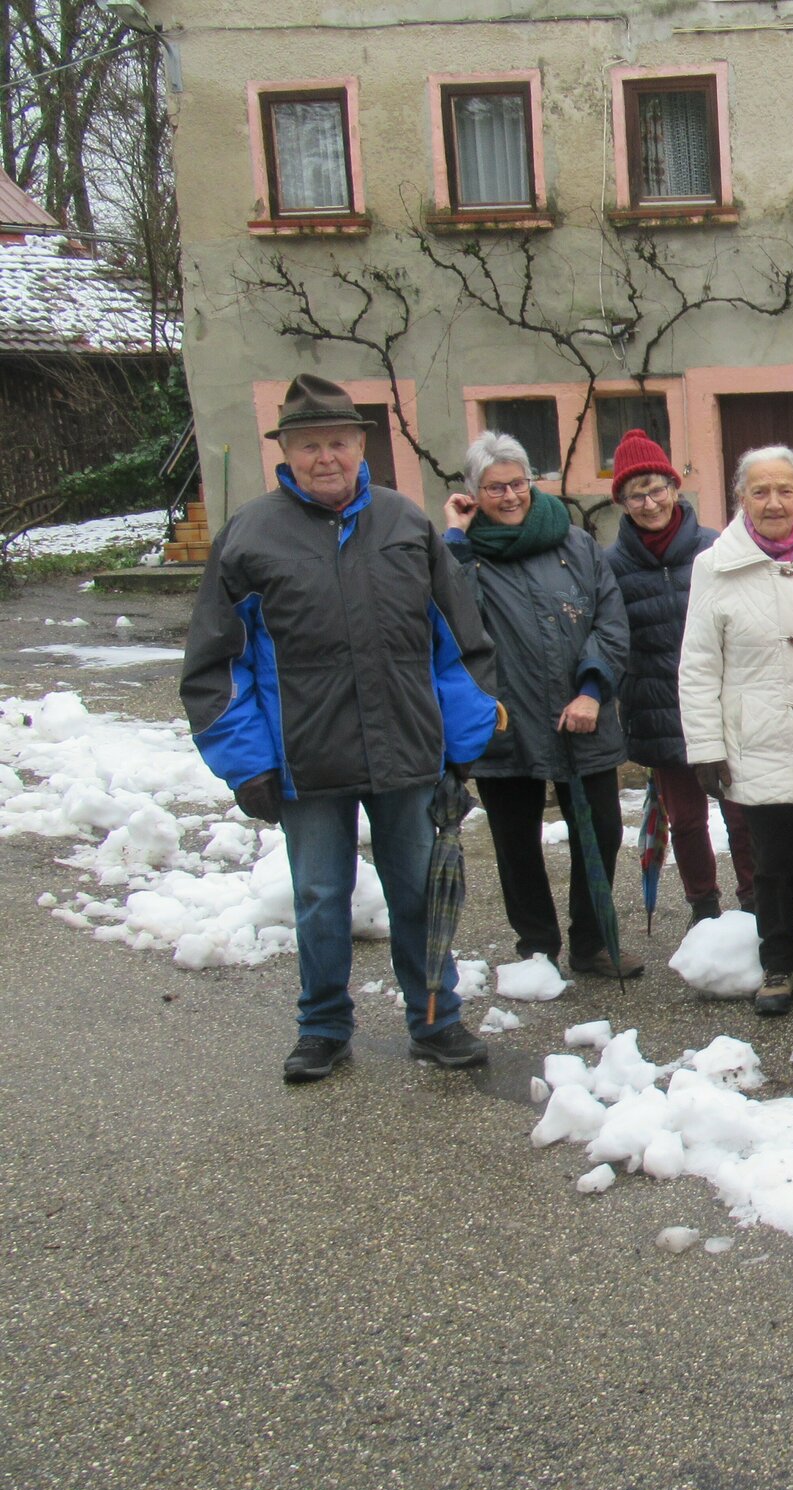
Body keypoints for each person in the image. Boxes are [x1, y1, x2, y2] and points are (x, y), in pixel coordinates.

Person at [182, 374, 502, 1084]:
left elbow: (457, 645)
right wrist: (248, 762)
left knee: (419, 890)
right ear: (286, 453)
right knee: (320, 897)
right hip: (304, 761)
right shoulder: (249, 538)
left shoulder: (405, 524)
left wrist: (463, 741)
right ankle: (323, 1027)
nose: (324, 457)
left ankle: (435, 1019)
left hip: (407, 751)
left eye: (337, 442)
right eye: (307, 445)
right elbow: (215, 667)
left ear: (362, 445)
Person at [442, 431, 637, 981]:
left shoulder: (574, 543)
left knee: (599, 829)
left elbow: (609, 620)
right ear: (472, 494)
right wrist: (455, 538)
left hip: (583, 713)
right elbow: (448, 616)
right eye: (493, 487)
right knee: (515, 839)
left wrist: (592, 690)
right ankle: (536, 947)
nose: (508, 496)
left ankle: (592, 943)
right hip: (505, 717)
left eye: (517, 483)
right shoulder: (464, 553)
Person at [678, 445, 793, 1017]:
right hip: (752, 742)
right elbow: (699, 663)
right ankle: (778, 967)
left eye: (786, 489)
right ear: (741, 499)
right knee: (771, 864)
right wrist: (705, 747)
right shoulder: (714, 566)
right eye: (760, 491)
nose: (774, 501)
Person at [604, 428, 756, 926]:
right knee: (687, 821)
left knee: (741, 813)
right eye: (635, 494)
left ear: (674, 486)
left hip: (722, 703)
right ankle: (703, 907)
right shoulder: (611, 565)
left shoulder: (716, 548)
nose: (649, 503)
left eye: (656, 488)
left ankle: (755, 901)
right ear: (622, 503)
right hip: (658, 706)